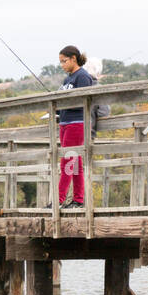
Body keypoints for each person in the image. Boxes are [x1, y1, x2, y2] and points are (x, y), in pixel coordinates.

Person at [56, 45, 94, 208]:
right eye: (60, 62)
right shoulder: (67, 79)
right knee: (75, 161)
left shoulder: (83, 76)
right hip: (64, 122)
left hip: (76, 122)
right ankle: (78, 199)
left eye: (64, 61)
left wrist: (65, 102)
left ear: (73, 59)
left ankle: (59, 199)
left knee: (67, 160)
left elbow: (83, 102)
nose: (62, 65)